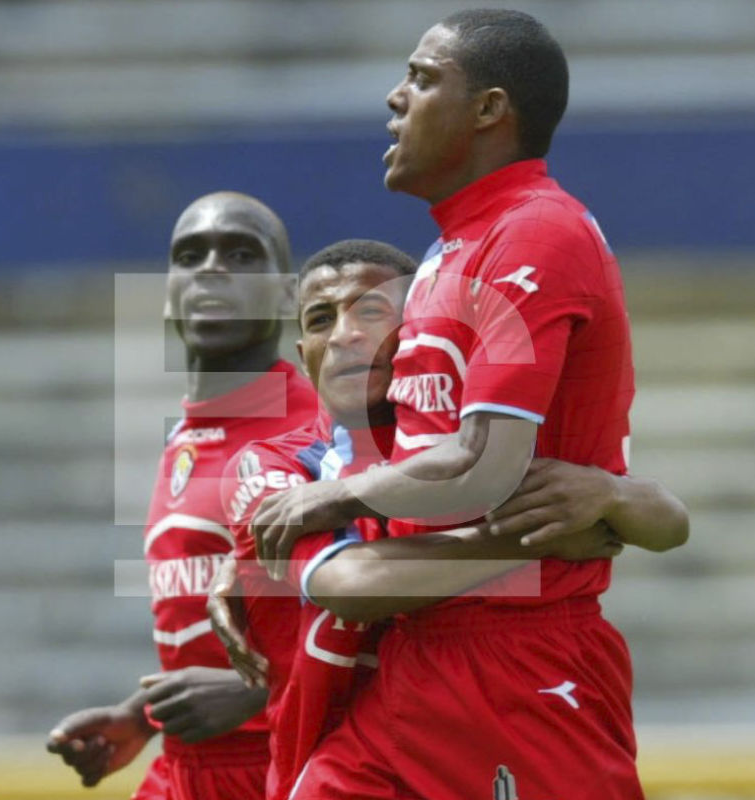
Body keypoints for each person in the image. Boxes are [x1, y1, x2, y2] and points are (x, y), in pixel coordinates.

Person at [251, 10, 681, 798]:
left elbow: (485, 462)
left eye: (421, 79)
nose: (395, 97)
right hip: (418, 651)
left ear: (488, 109)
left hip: (518, 665)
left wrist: (335, 497)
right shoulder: (450, 250)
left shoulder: (536, 231)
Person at [217, 240, 685, 800]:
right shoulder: (274, 467)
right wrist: (537, 541)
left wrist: (608, 494)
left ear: (420, 332)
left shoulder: (476, 447)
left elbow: (670, 523)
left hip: (504, 714)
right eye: (321, 319)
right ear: (303, 353)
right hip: (341, 755)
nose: (344, 335)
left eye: (371, 311)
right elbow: (354, 585)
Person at [46, 191, 318, 799]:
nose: (212, 269)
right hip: (184, 770)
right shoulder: (188, 435)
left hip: (283, 767)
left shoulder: (320, 435)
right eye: (190, 256)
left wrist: (260, 693)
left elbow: (392, 625)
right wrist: (145, 714)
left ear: (287, 294)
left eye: (242, 254)